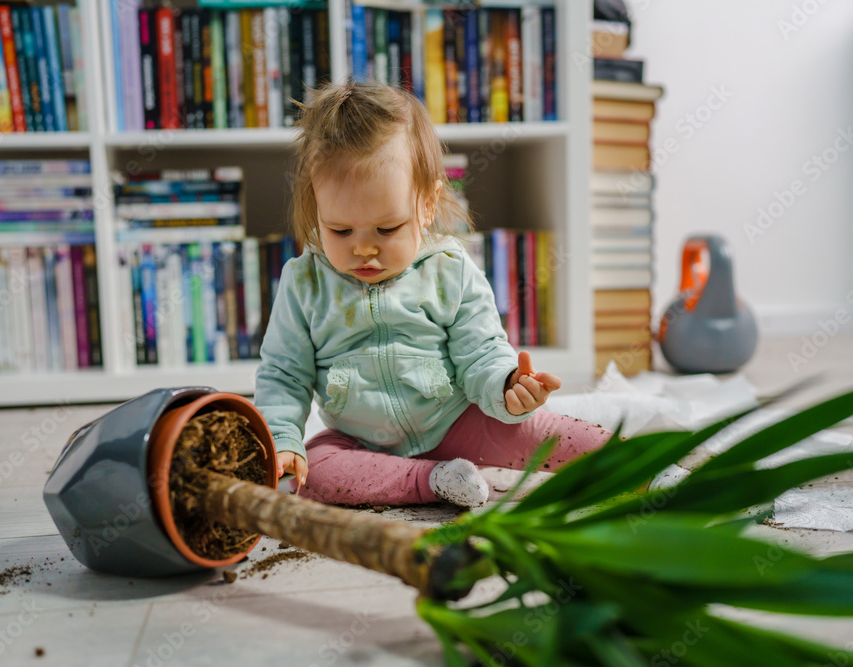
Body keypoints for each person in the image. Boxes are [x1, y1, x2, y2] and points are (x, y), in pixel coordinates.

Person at [252, 81, 612, 508]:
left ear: (427, 204)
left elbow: (481, 352)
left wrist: (506, 387)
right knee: (315, 473)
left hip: (456, 422)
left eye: (387, 229)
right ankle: (436, 479)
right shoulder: (304, 283)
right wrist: (283, 439)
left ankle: (637, 460)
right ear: (317, 208)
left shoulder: (449, 269)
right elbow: (284, 374)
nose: (363, 248)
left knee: (546, 432)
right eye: (340, 230)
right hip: (361, 443)